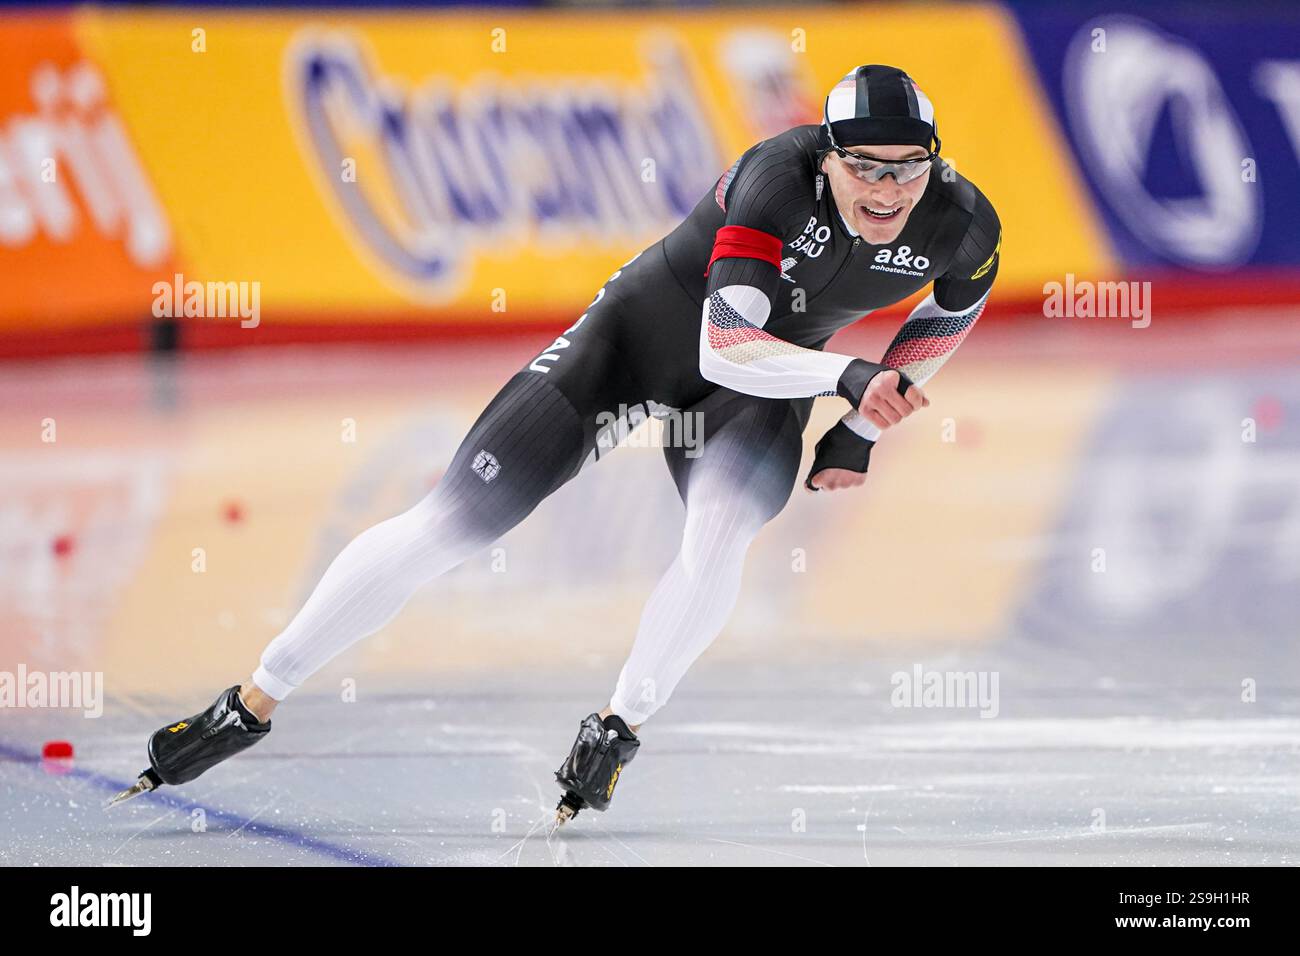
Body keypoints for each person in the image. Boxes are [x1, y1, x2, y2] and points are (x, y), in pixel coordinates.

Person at [111, 65, 1001, 823]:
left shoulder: (963, 221)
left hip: (764, 384)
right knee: (450, 526)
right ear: (828, 153)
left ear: (935, 161)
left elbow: (948, 315)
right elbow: (723, 343)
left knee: (720, 537)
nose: (887, 193)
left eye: (907, 171)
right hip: (639, 344)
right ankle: (250, 702)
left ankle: (617, 728)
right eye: (866, 170)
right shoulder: (776, 175)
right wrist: (845, 380)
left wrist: (855, 431)